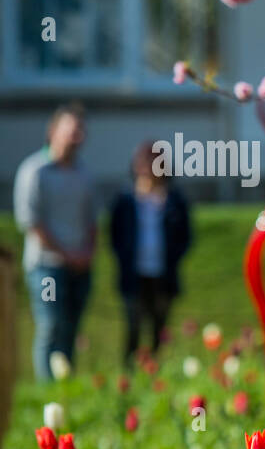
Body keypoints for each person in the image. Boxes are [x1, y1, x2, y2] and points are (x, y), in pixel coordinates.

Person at [12, 104, 97, 381]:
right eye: (71, 131)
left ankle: (65, 384)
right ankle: (46, 388)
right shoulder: (35, 171)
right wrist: (66, 254)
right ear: (53, 132)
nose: (77, 137)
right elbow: (32, 223)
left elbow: (92, 220)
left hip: (79, 267)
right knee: (51, 325)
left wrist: (86, 254)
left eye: (80, 131)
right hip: (47, 268)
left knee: (71, 327)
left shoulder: (83, 174)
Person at [109, 141, 192, 366]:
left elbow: (185, 236)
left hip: (163, 274)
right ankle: (129, 374)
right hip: (134, 274)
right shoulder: (126, 200)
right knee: (133, 327)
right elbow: (115, 236)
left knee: (159, 329)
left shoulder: (175, 200)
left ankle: (156, 373)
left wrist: (172, 256)